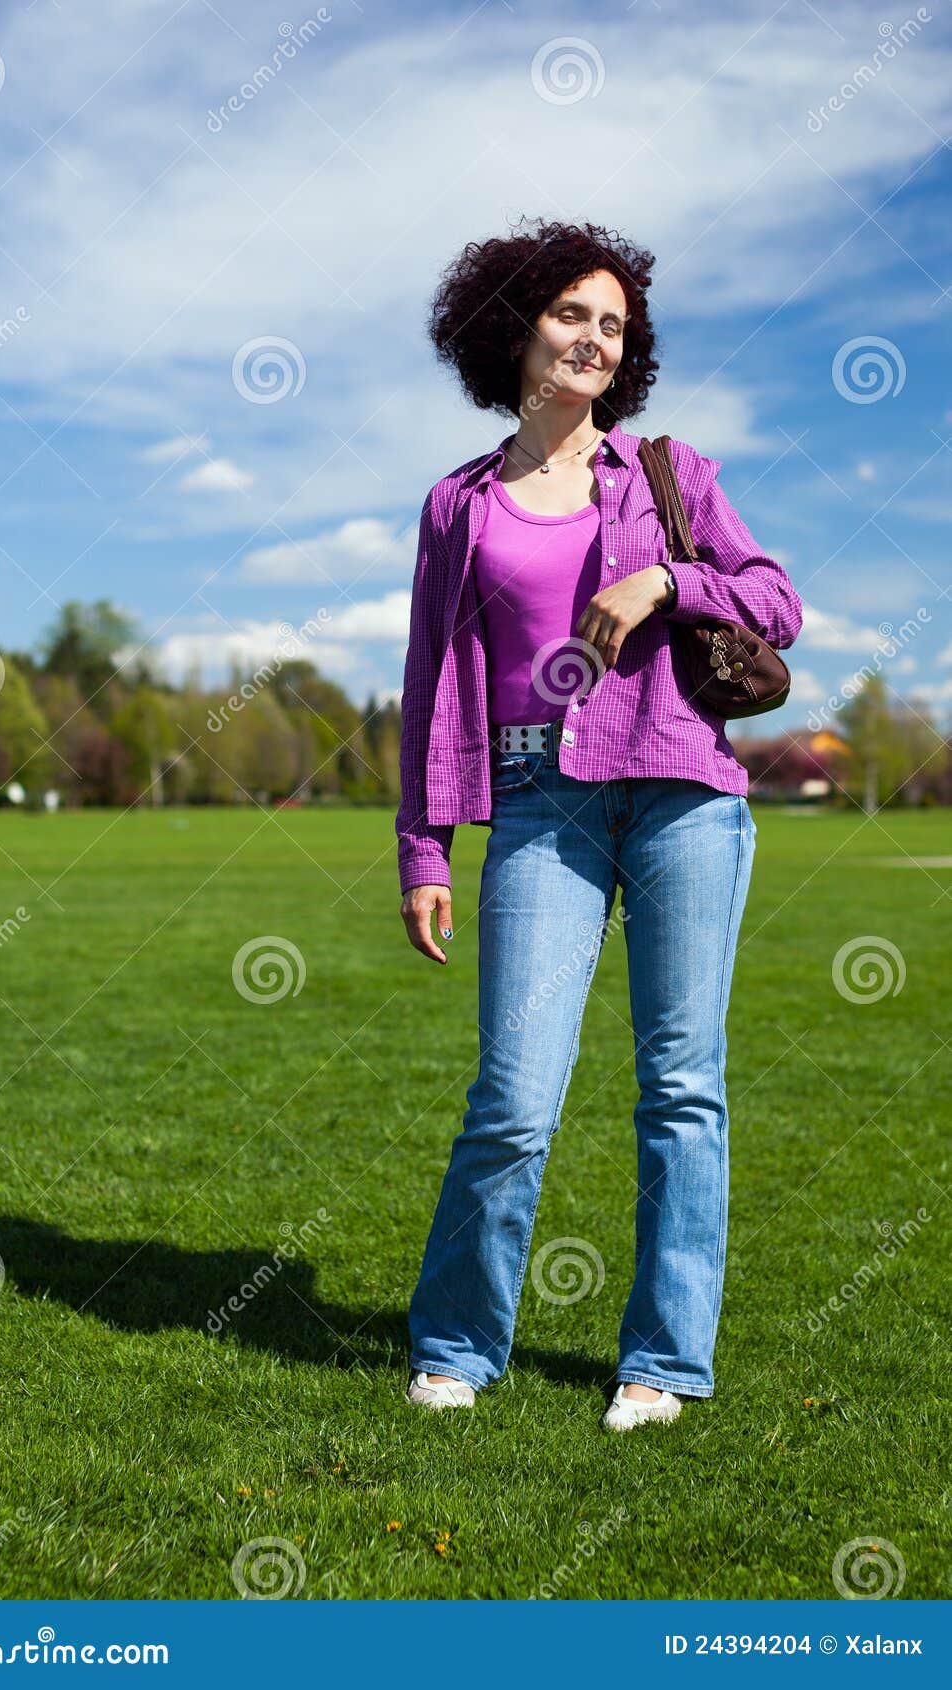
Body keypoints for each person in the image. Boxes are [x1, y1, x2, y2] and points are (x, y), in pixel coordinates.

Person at [395, 218, 803, 1429]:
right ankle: (457, 1346)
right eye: (571, 313)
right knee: (512, 1096)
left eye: (613, 324)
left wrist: (666, 579)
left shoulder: (669, 474)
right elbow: (429, 678)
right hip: (537, 803)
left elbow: (776, 602)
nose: (592, 339)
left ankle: (662, 1362)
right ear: (512, 325)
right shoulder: (458, 504)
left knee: (679, 1088)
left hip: (682, 793)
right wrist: (425, 844)